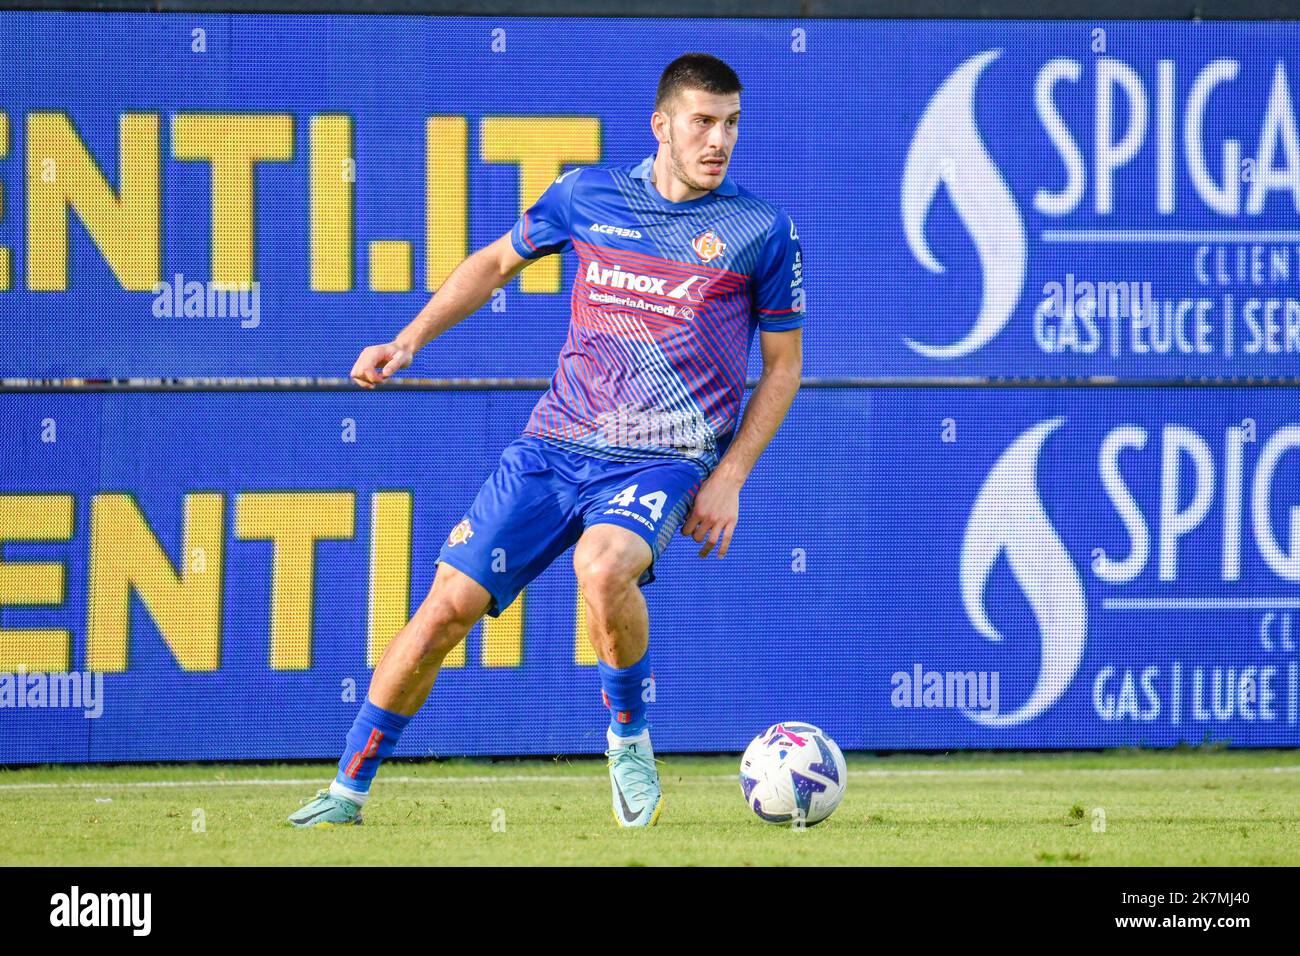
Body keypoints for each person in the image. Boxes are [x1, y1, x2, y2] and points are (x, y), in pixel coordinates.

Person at [288, 52, 804, 829]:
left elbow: (784, 366)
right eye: (702, 122)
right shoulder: (586, 194)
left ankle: (627, 737)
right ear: (660, 125)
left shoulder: (759, 230)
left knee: (602, 571)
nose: (719, 140)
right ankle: (346, 793)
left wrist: (729, 477)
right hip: (553, 449)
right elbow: (495, 263)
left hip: (664, 458)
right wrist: (407, 341)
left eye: (732, 124)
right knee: (442, 614)